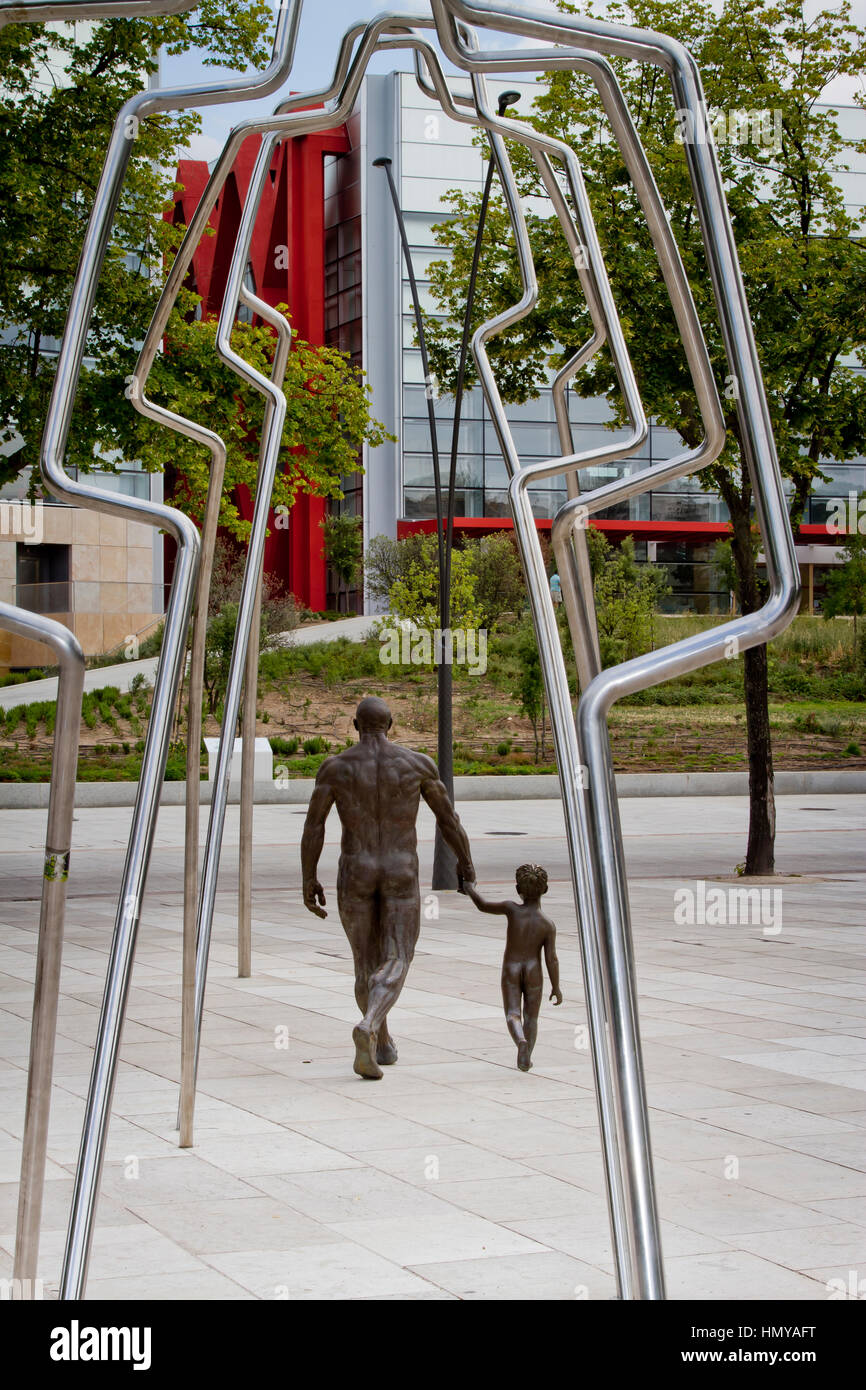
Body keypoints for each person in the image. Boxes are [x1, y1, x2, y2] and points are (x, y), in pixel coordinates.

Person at [301, 696, 475, 1080]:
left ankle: (379, 1039)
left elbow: (314, 826)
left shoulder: (335, 768)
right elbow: (449, 820)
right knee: (397, 957)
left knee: (364, 963)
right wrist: (465, 861)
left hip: (356, 869)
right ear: (391, 723)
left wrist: (308, 876)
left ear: (354, 724)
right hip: (399, 870)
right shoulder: (417, 765)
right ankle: (371, 1028)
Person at [461, 863, 561, 1071]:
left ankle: (520, 1041)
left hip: (511, 968)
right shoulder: (547, 924)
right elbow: (551, 959)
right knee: (531, 1017)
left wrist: (470, 888)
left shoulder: (511, 910)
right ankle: (526, 1057)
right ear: (545, 890)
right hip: (534, 971)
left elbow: (483, 905)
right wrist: (556, 986)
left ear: (518, 890)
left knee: (512, 1012)